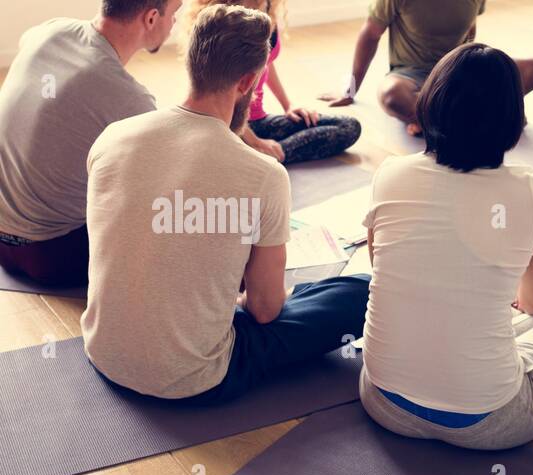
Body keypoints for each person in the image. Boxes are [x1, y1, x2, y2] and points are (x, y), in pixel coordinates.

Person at [82, 4, 370, 404]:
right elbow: (266, 311)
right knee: (361, 291)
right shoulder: (265, 175)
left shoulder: (113, 137)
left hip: (103, 351)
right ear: (249, 80)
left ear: (191, 63)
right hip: (193, 379)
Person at [358, 43, 533, 451]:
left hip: (382, 401)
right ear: (512, 118)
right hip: (490, 424)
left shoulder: (390, 174)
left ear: (429, 104)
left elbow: (381, 267)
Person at [0, 0, 180, 287]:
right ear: (151, 18)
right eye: (175, 13)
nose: (174, 23)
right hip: (50, 257)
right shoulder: (131, 100)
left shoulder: (49, 30)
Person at [319, 0, 533, 137]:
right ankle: (479, 116)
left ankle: (433, 120)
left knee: (532, 69)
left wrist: (475, 73)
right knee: (391, 95)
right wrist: (350, 90)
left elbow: (470, 31)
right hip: (413, 76)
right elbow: (370, 34)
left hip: (457, 71)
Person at [182, 0, 361, 165]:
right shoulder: (218, 20)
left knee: (348, 126)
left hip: (259, 121)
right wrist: (255, 141)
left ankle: (264, 156)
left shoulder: (266, 6)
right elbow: (217, 96)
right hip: (231, 126)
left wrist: (288, 105)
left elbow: (265, 63)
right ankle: (257, 155)